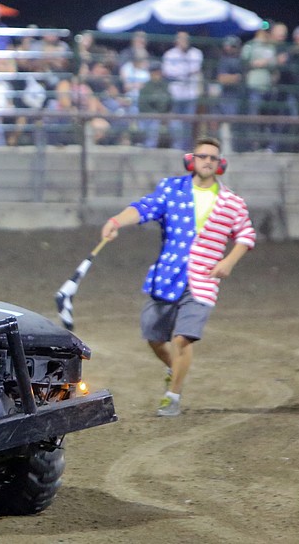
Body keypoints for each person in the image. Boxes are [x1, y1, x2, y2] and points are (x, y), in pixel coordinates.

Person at [100, 136, 256, 417]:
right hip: (168, 276)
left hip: (203, 282)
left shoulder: (231, 202)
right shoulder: (171, 190)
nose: (207, 161)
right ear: (192, 160)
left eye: (213, 158)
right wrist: (116, 222)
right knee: (153, 336)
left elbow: (246, 234)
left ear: (220, 164)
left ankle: (172, 396)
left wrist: (229, 261)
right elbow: (144, 208)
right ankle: (174, 369)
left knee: (183, 339)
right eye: (202, 156)